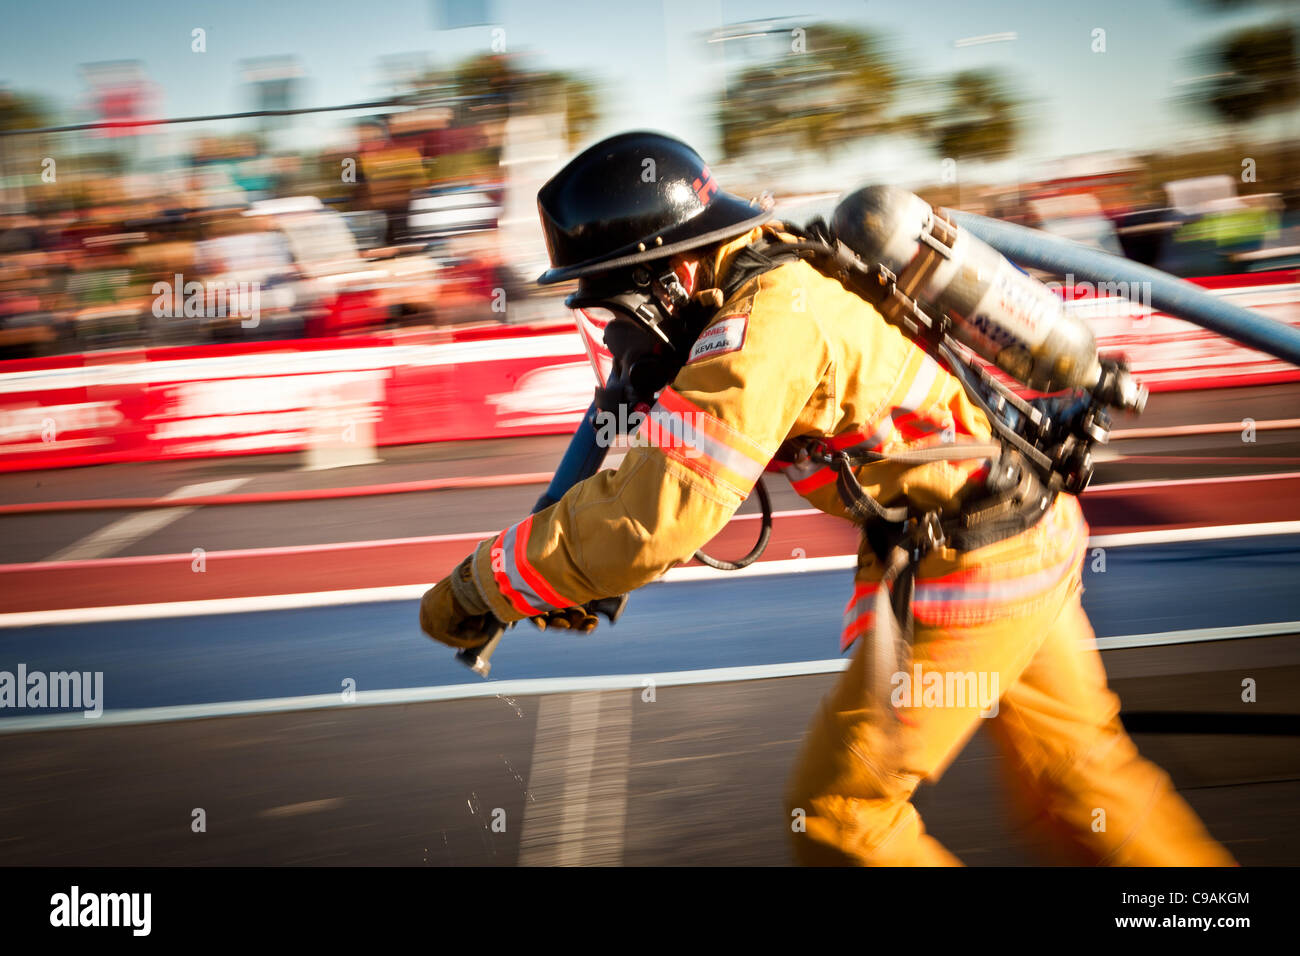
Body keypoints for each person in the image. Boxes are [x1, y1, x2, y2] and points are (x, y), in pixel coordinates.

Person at [419, 131, 1235, 866]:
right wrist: (567, 567)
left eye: (609, 306)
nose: (613, 338)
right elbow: (636, 454)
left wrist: (486, 584)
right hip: (1028, 531)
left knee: (841, 817)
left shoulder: (765, 331)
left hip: (977, 566)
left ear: (667, 278)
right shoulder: (768, 270)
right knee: (1084, 781)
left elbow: (658, 512)